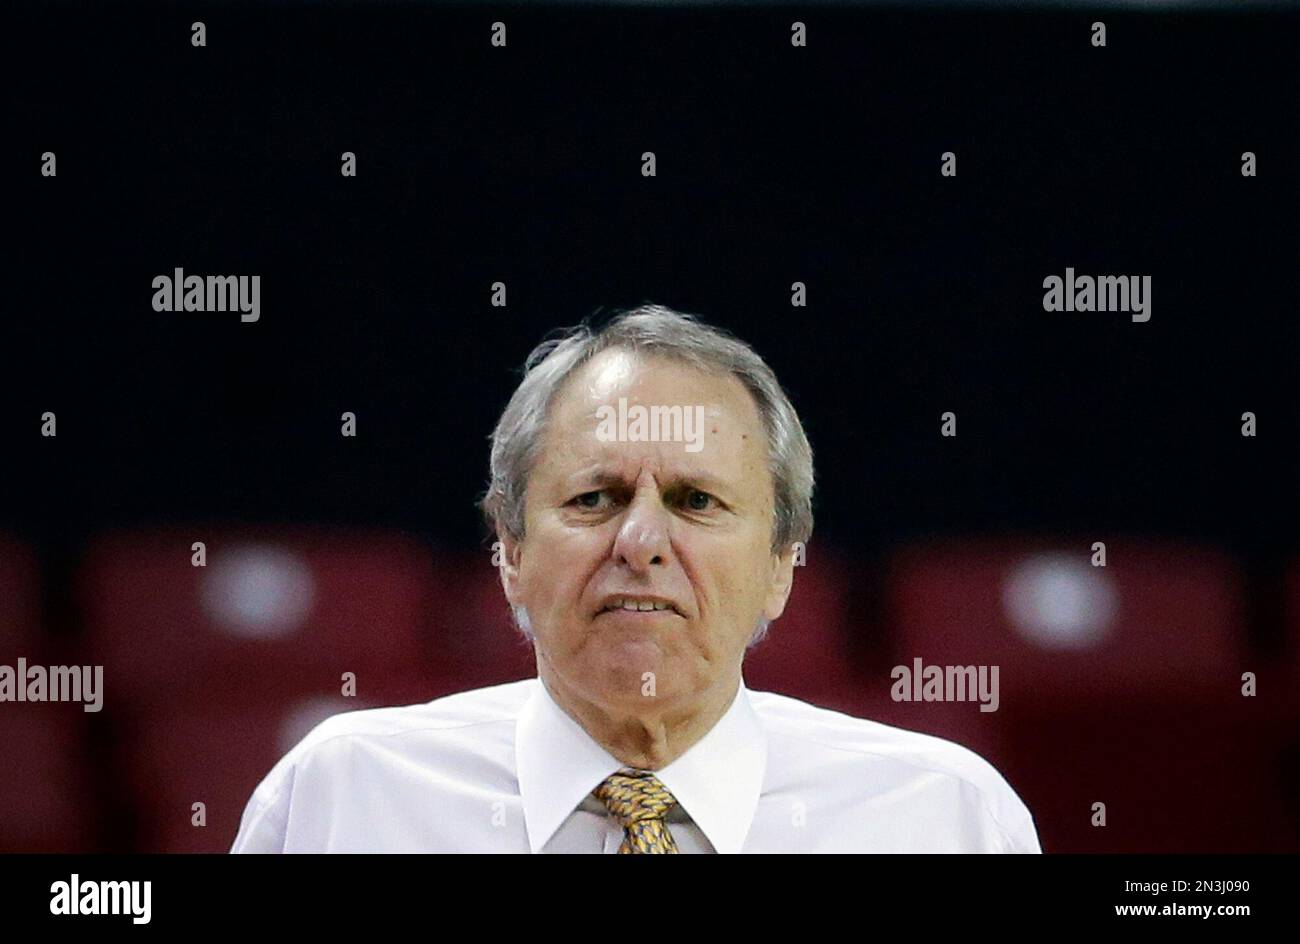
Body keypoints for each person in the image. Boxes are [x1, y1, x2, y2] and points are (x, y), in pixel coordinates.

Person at [231, 303, 1041, 853]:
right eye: (595, 498)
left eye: (696, 501)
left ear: (780, 566)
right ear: (509, 551)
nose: (642, 541)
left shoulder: (945, 818)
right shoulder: (342, 797)